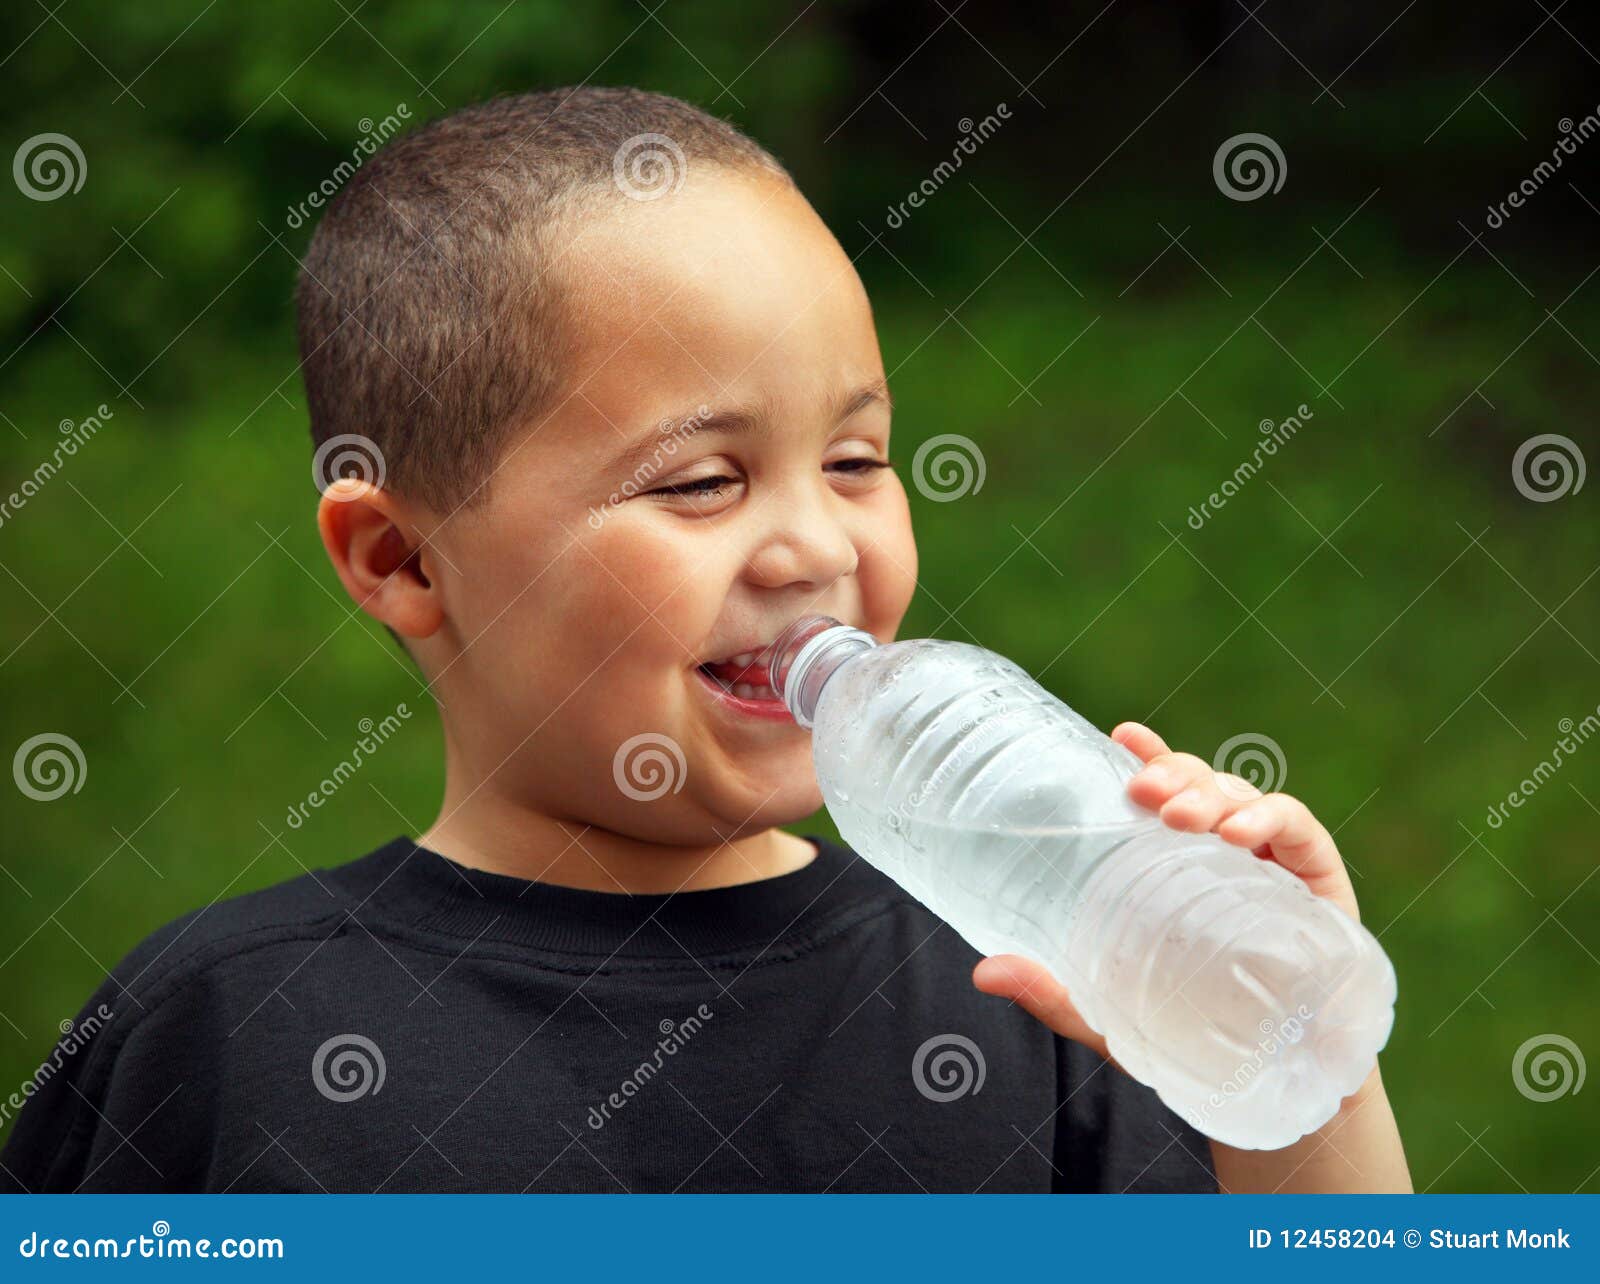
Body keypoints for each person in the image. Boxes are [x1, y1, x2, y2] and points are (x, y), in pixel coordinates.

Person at [1, 87, 1409, 1193]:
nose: (815, 547)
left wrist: (1293, 1071)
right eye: (701, 483)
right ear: (404, 559)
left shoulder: (1039, 1004)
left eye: (856, 461)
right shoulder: (226, 1031)